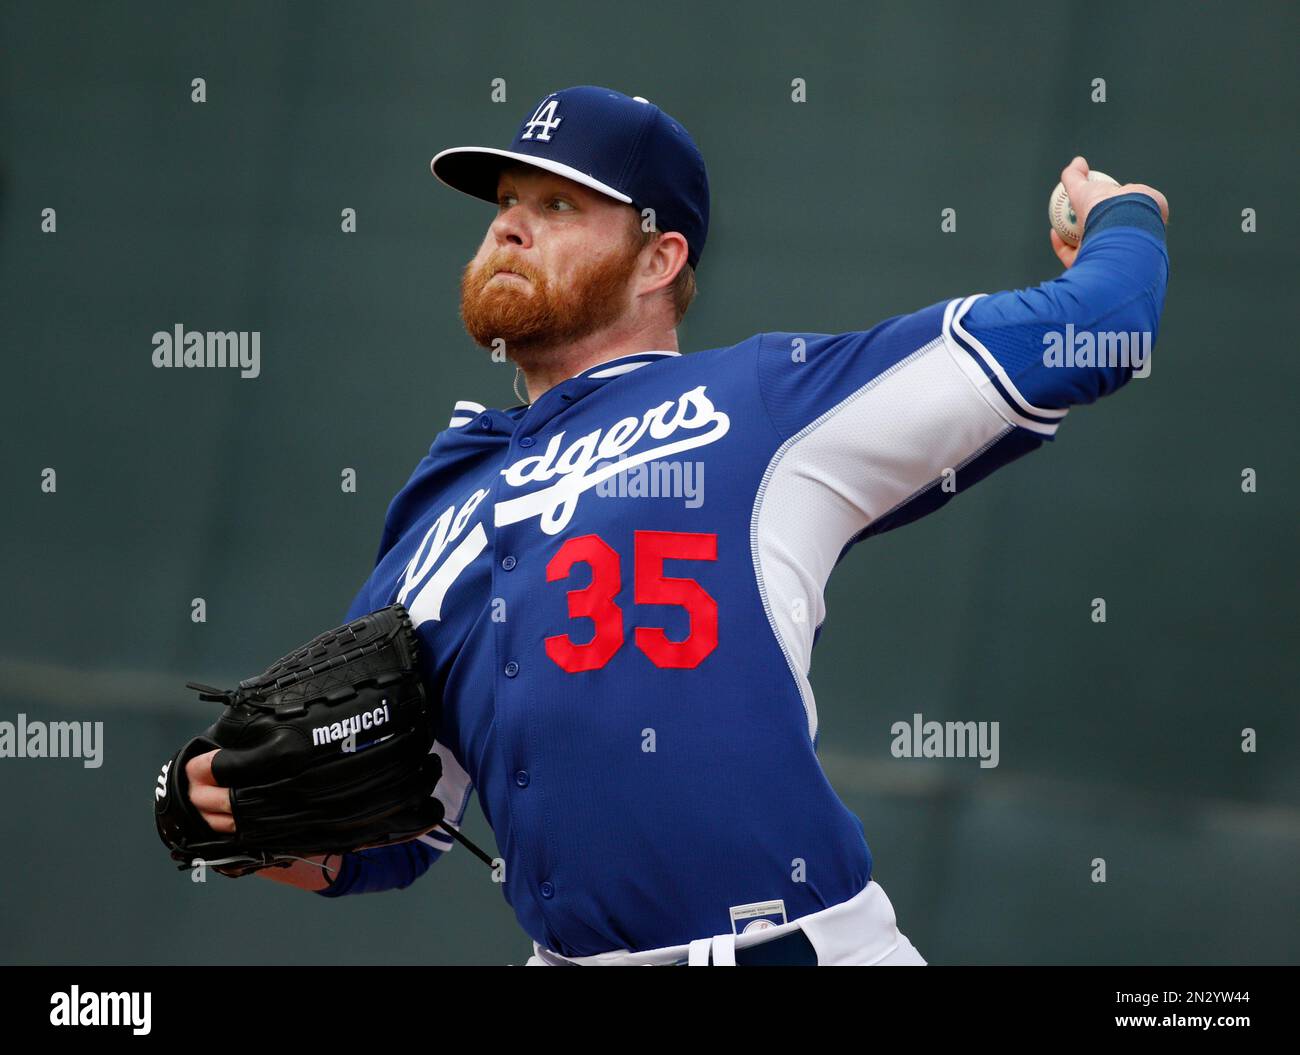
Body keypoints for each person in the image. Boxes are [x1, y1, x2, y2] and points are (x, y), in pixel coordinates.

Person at [184, 86, 1170, 966]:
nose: (513, 229)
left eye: (560, 204)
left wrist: (1123, 217)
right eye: (506, 206)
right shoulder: (442, 505)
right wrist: (227, 818)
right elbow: (389, 832)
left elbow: (1104, 320)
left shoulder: (765, 399)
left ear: (659, 256)